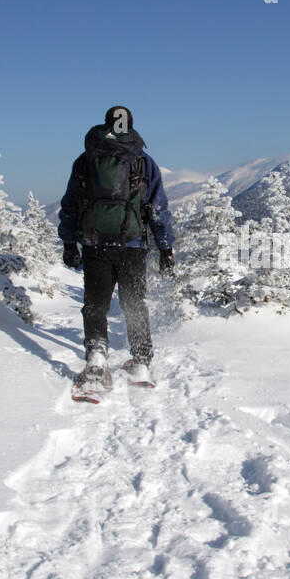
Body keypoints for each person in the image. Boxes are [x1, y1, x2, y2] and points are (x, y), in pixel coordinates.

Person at [58, 106, 174, 388]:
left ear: (105, 124)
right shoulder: (142, 161)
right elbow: (157, 208)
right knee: (133, 303)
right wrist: (166, 248)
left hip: (94, 243)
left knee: (95, 304)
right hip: (132, 245)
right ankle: (141, 364)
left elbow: (71, 204)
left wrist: (69, 241)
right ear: (130, 126)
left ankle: (96, 358)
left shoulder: (86, 160)